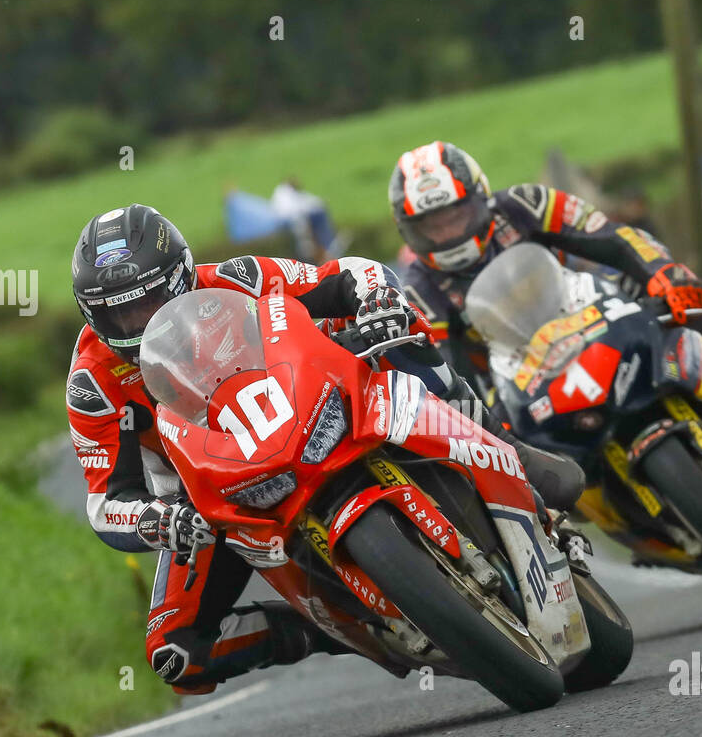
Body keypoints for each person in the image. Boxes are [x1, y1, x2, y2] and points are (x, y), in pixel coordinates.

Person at [67, 204, 583, 696]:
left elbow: (341, 277)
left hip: (309, 403)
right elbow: (106, 499)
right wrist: (158, 521)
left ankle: (503, 445)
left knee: (400, 331)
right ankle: (328, 630)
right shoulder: (92, 383)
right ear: (92, 317)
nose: (138, 322)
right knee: (175, 653)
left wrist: (375, 299)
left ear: (180, 276)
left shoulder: (234, 278)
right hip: (209, 492)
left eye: (148, 301)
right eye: (120, 317)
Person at [388, 141, 702, 443]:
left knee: (682, 300)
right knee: (498, 437)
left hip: (586, 308)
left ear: (480, 197)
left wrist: (663, 274)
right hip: (517, 372)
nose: (447, 231)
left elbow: (614, 238)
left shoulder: (525, 204)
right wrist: (488, 420)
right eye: (432, 225)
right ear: (411, 230)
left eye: (457, 214)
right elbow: (447, 369)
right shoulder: (420, 290)